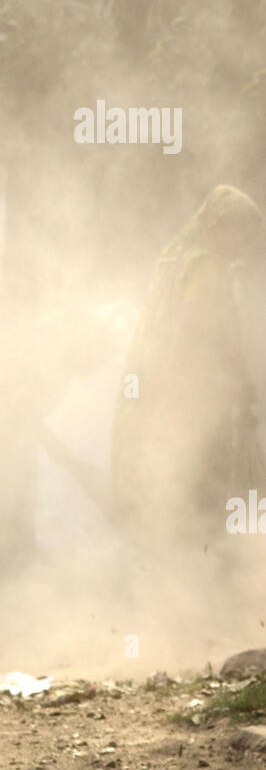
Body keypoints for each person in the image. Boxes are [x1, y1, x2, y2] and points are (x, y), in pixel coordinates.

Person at [111, 184, 263, 555]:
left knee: (168, 499)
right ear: (213, 225)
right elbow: (199, 334)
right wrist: (231, 386)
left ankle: (169, 581)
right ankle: (197, 582)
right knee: (200, 499)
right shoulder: (205, 267)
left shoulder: (175, 262)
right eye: (234, 230)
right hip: (192, 407)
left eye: (245, 232)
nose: (240, 241)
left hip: (159, 403)